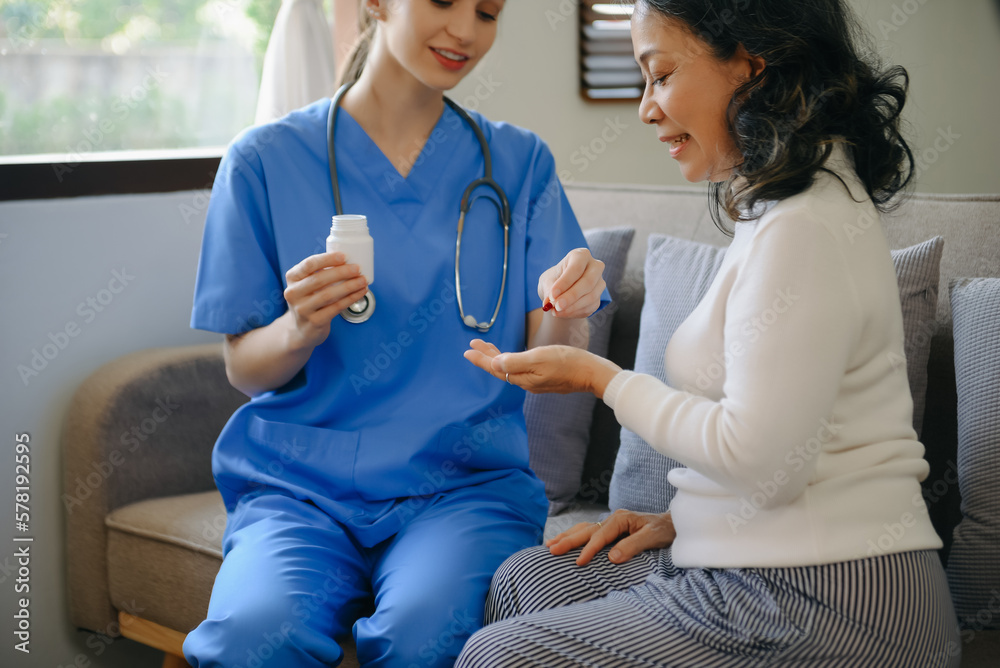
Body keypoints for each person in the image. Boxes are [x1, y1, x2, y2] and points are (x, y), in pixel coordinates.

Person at [458, 0, 961, 666]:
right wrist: (684, 522)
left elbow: (761, 464)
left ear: (753, 67)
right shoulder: (780, 204)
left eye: (660, 75)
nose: (645, 108)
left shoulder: (805, 224)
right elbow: (786, 427)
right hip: (764, 559)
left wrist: (599, 378)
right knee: (529, 577)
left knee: (497, 658)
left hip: (829, 594)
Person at [181, 1, 610, 666]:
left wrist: (571, 303)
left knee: (426, 636)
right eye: (443, 2)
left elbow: (552, 355)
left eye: (489, 12)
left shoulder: (519, 163)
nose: (466, 31)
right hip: (300, 488)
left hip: (463, 486)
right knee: (250, 636)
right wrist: (299, 327)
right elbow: (244, 368)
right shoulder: (263, 161)